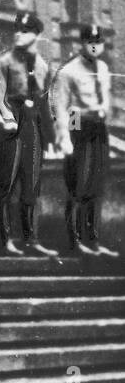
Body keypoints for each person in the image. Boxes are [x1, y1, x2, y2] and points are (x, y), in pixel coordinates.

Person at [0, 11, 58, 257]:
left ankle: (31, 239)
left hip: (33, 126)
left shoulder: (42, 65)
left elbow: (46, 102)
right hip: (11, 122)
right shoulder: (4, 62)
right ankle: (5, 239)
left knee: (31, 184)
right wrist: (7, 121)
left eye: (26, 31)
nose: (19, 34)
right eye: (17, 30)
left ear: (37, 35)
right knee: (7, 183)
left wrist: (52, 137)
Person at [52, 23, 118, 257]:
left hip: (99, 128)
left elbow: (107, 99)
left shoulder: (103, 68)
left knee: (97, 187)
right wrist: (66, 138)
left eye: (98, 42)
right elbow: (62, 108)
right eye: (89, 42)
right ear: (81, 43)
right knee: (79, 184)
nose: (94, 46)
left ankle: (94, 241)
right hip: (79, 125)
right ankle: (76, 241)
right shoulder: (69, 71)